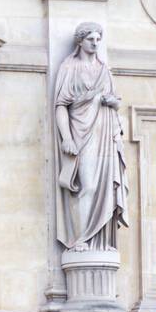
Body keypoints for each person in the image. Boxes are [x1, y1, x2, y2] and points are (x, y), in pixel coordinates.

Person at [53, 22, 128, 252]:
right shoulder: (69, 67)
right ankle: (81, 237)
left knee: (104, 186)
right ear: (80, 41)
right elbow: (61, 105)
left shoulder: (104, 69)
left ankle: (99, 240)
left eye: (98, 39)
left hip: (104, 131)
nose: (95, 43)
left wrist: (112, 102)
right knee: (86, 185)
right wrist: (66, 137)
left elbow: (115, 100)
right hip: (80, 131)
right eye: (90, 39)